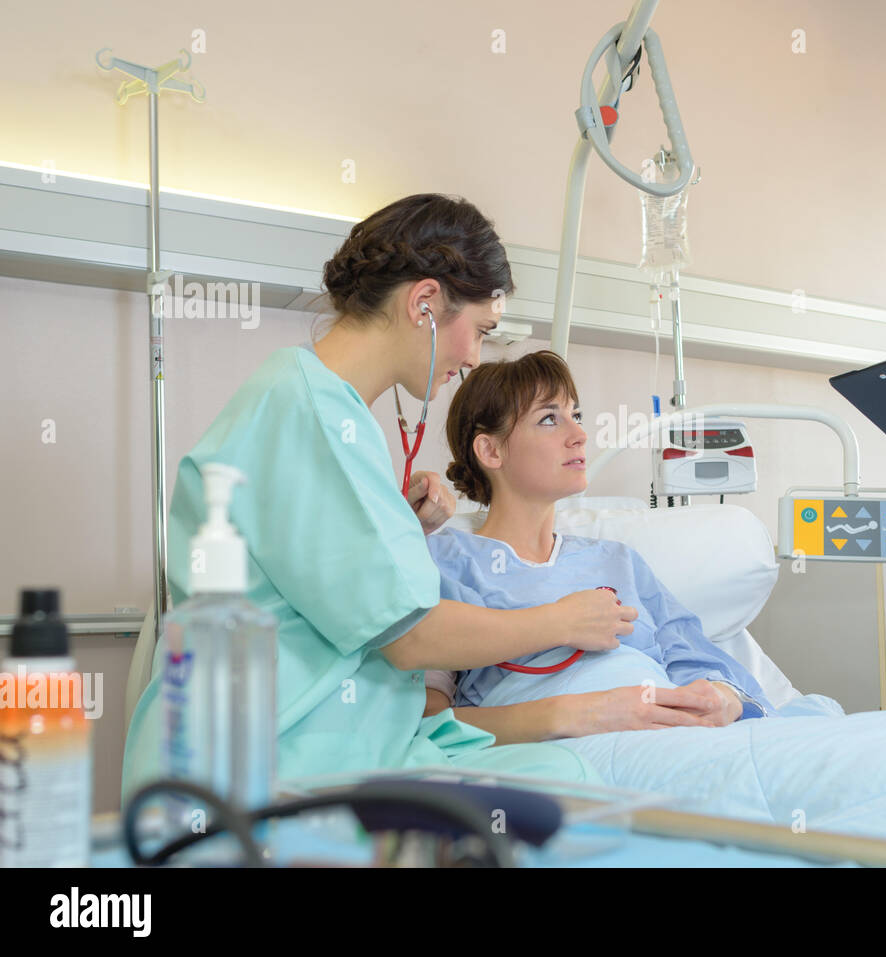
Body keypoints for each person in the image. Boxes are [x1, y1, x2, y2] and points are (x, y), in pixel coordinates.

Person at [123, 195, 631, 798]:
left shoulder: (319, 405)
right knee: (567, 800)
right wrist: (561, 620)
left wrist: (400, 530)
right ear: (425, 303)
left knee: (569, 781)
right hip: (276, 758)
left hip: (345, 739)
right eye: (480, 331)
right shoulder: (308, 407)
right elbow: (412, 637)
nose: (473, 357)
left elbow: (317, 578)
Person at [421, 350, 781, 744]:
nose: (579, 435)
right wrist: (575, 713)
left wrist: (725, 700)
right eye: (548, 419)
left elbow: (703, 665)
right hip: (568, 748)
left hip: (672, 731)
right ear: (491, 451)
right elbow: (426, 727)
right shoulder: (443, 562)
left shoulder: (618, 561)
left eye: (576, 415)